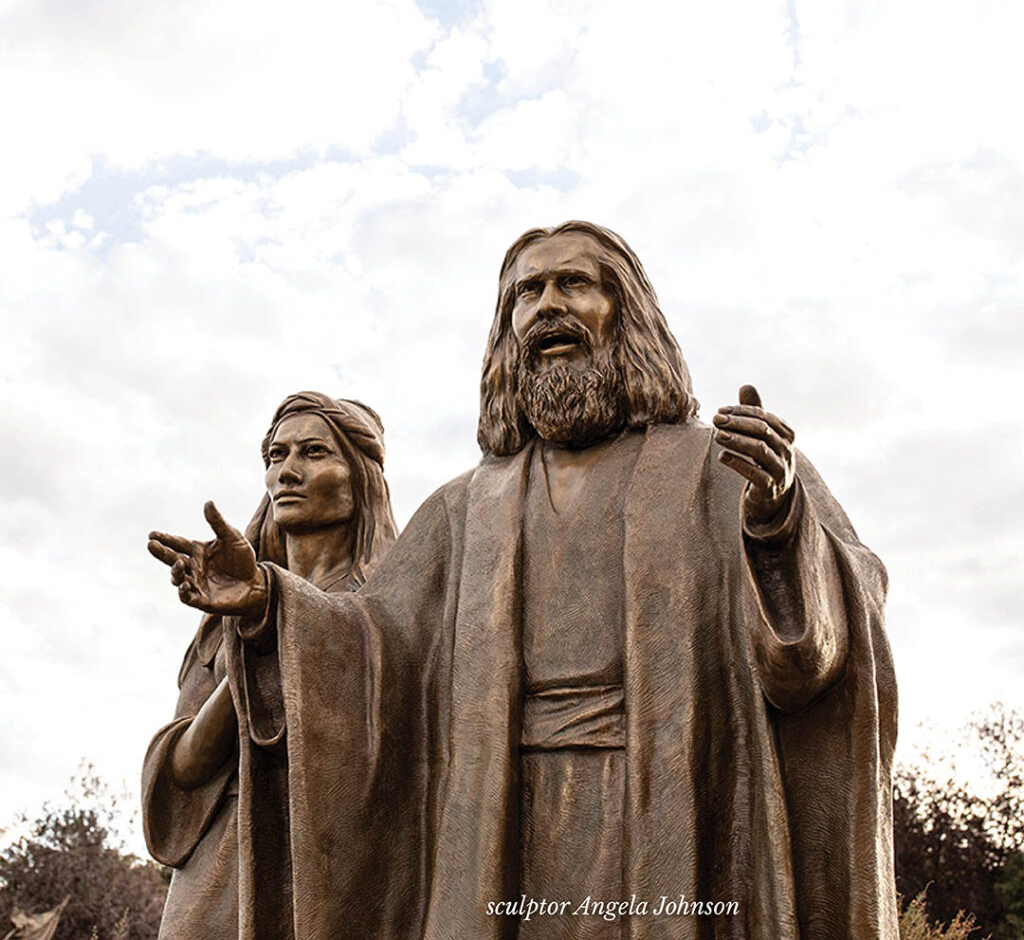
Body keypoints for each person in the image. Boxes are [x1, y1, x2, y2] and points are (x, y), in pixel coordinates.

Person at [166, 222, 897, 940]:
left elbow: (822, 649)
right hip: (495, 822)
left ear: (627, 312)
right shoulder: (463, 508)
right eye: (527, 292)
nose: (547, 305)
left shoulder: (723, 468)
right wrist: (271, 606)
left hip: (674, 802)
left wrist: (775, 524)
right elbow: (379, 646)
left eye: (573, 283)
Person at [141, 392, 397, 940]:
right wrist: (254, 635)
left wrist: (279, 613)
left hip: (341, 863)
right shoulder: (225, 612)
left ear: (361, 475)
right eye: (276, 455)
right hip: (224, 868)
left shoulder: (395, 605)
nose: (287, 472)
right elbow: (183, 769)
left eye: (313, 452)